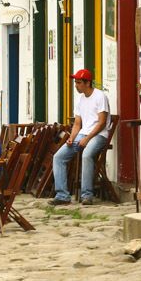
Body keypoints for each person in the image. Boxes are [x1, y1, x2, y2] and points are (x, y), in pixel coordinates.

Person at [50, 69, 112, 207]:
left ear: (87, 83)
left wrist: (88, 138)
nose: (76, 85)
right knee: (59, 157)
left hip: (99, 135)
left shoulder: (100, 96)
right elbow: (77, 123)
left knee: (86, 155)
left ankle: (87, 195)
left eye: (78, 82)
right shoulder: (80, 99)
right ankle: (62, 195)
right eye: (75, 82)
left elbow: (102, 122)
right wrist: (72, 138)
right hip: (83, 134)